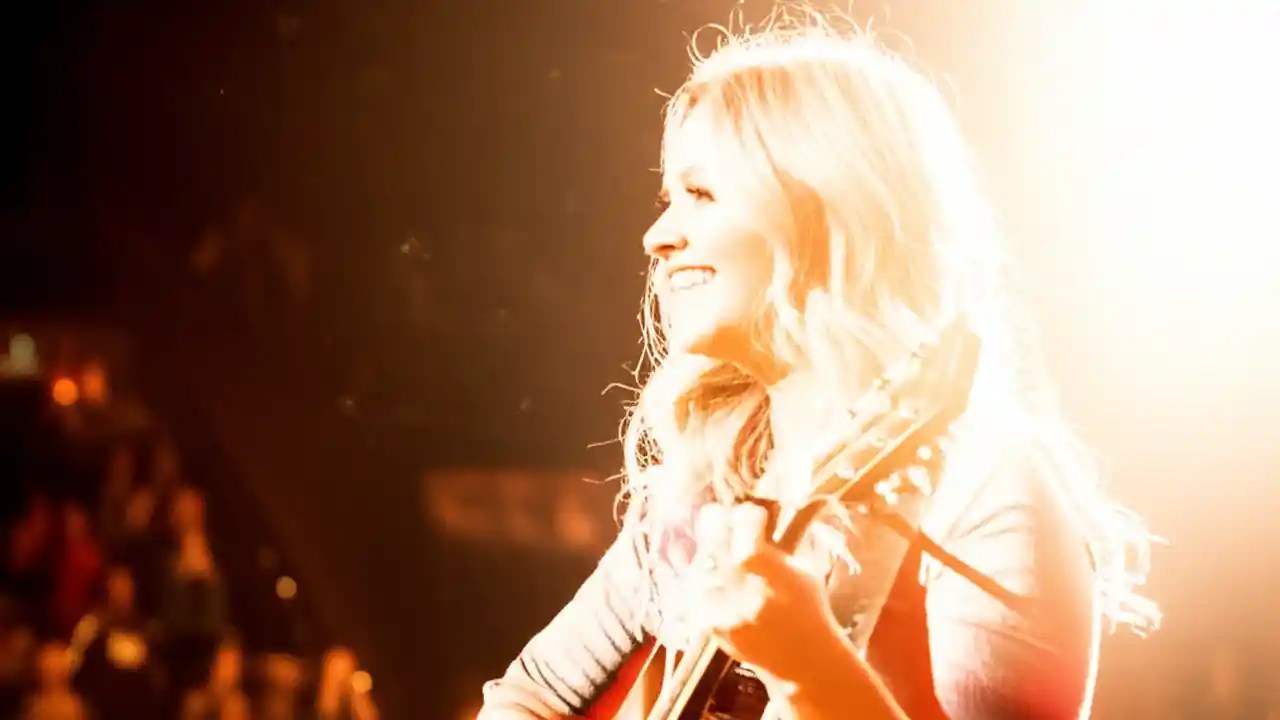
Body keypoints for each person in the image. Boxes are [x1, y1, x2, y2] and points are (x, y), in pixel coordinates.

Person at [478, 7, 1158, 719]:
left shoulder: (980, 486)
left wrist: (808, 665)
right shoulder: (706, 487)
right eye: (667, 198)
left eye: (700, 195)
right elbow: (530, 695)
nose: (657, 235)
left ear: (827, 212)